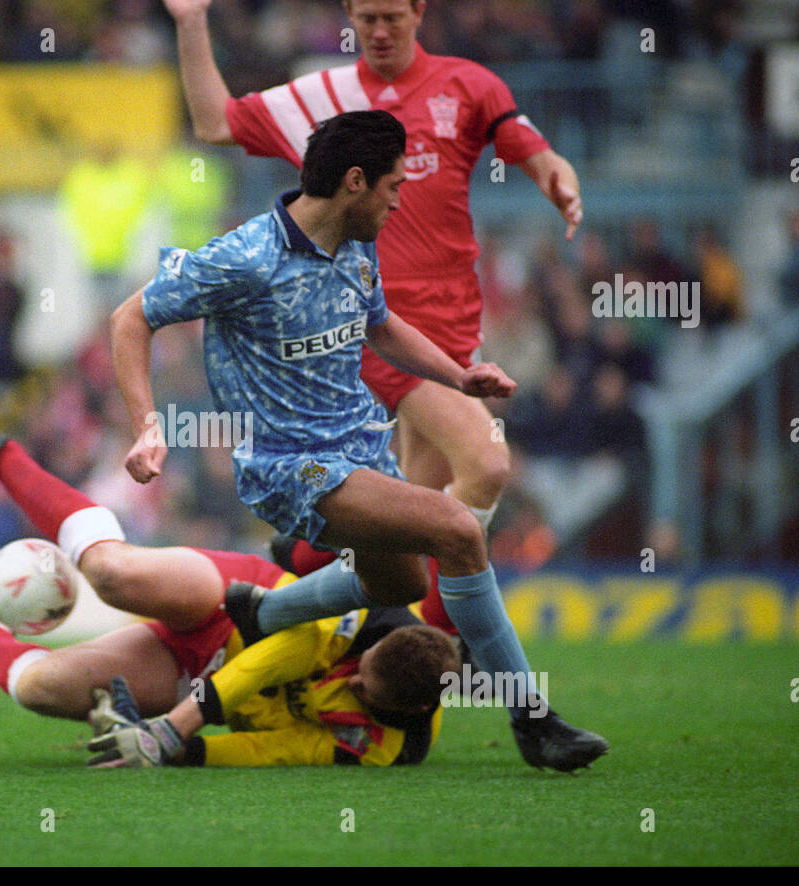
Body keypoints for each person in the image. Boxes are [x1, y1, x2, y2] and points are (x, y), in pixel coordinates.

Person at [111, 110, 606, 771]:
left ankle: (264, 613)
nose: (400, 199)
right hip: (290, 466)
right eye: (394, 186)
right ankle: (532, 718)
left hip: (361, 451)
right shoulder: (244, 259)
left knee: (397, 582)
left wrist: (460, 375)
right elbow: (129, 318)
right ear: (354, 181)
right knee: (456, 531)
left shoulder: (355, 241)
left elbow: (380, 325)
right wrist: (148, 426)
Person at [162, 0, 584, 634]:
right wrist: (192, 22)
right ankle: (448, 646)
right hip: (378, 334)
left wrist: (553, 171)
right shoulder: (323, 98)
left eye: (392, 16)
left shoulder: (468, 84)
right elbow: (215, 123)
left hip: (453, 333)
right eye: (366, 19)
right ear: (350, 18)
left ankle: (305, 573)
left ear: (419, 11)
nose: (380, 31)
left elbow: (529, 146)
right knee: (488, 464)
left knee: (409, 519)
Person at [0, 410, 461, 768]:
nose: (353, 678)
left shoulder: (392, 748)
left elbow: (282, 750)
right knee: (115, 576)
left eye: (364, 691)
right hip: (245, 604)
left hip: (191, 677)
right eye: (364, 667)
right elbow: (265, 663)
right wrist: (174, 728)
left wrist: (183, 751)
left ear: (411, 708)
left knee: (42, 688)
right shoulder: (377, 621)